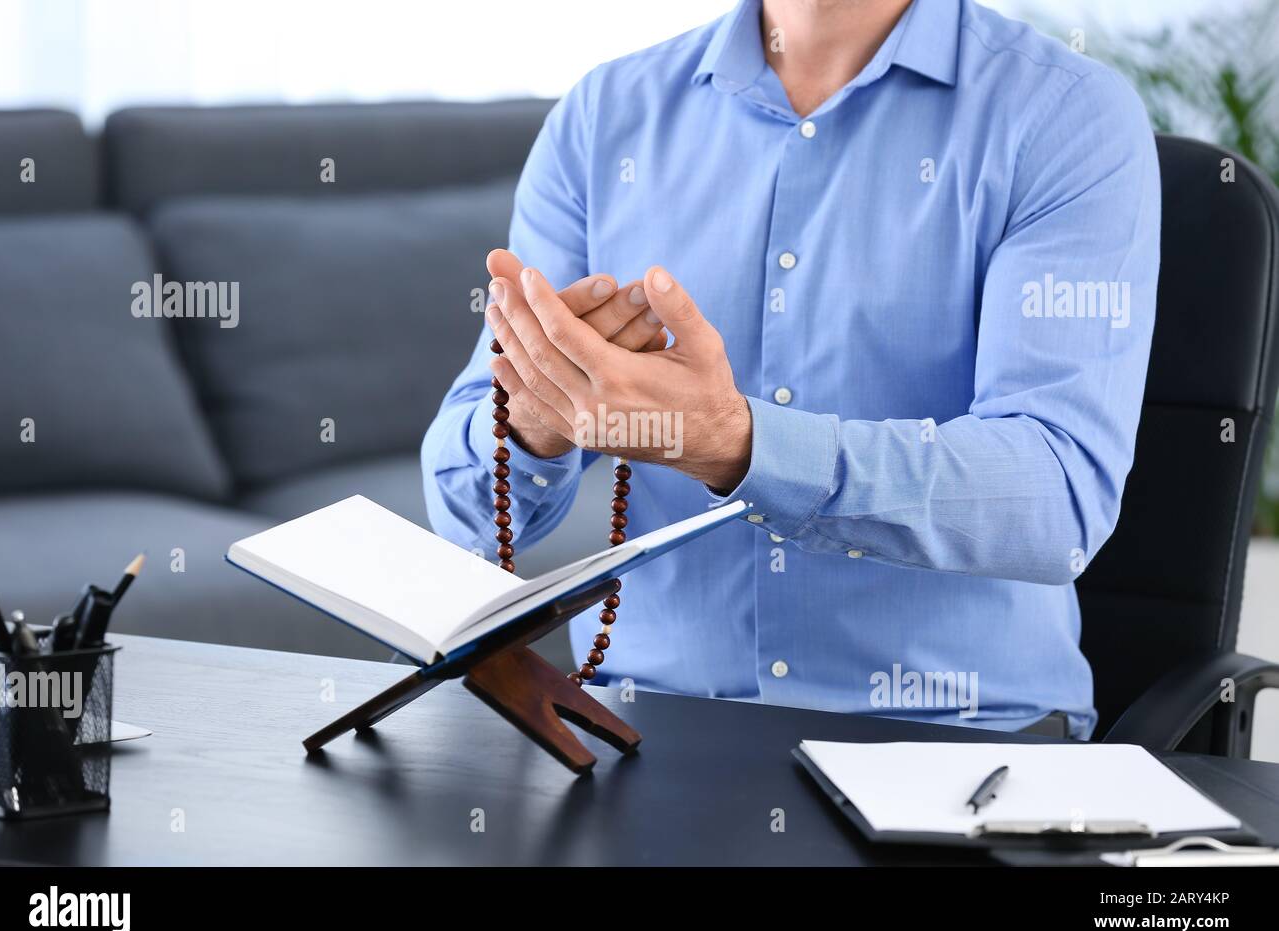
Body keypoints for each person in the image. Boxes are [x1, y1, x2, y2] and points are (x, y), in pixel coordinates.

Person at [422, 0, 1161, 738]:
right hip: (641, 730)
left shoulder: (1065, 113)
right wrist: (534, 421)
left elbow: (1058, 496)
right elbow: (464, 512)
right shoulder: (603, 115)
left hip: (954, 741)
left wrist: (737, 444)